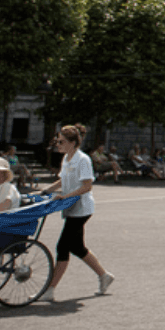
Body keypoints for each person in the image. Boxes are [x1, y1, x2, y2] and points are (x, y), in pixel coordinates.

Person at [44, 125, 116, 300]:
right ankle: (104, 275)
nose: (58, 144)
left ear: (72, 142)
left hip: (82, 208)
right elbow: (62, 180)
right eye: (57, 141)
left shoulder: (83, 159)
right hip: (71, 207)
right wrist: (46, 191)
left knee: (62, 246)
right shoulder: (67, 159)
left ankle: (50, 289)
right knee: (77, 247)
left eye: (61, 141)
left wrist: (65, 197)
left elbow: (87, 186)